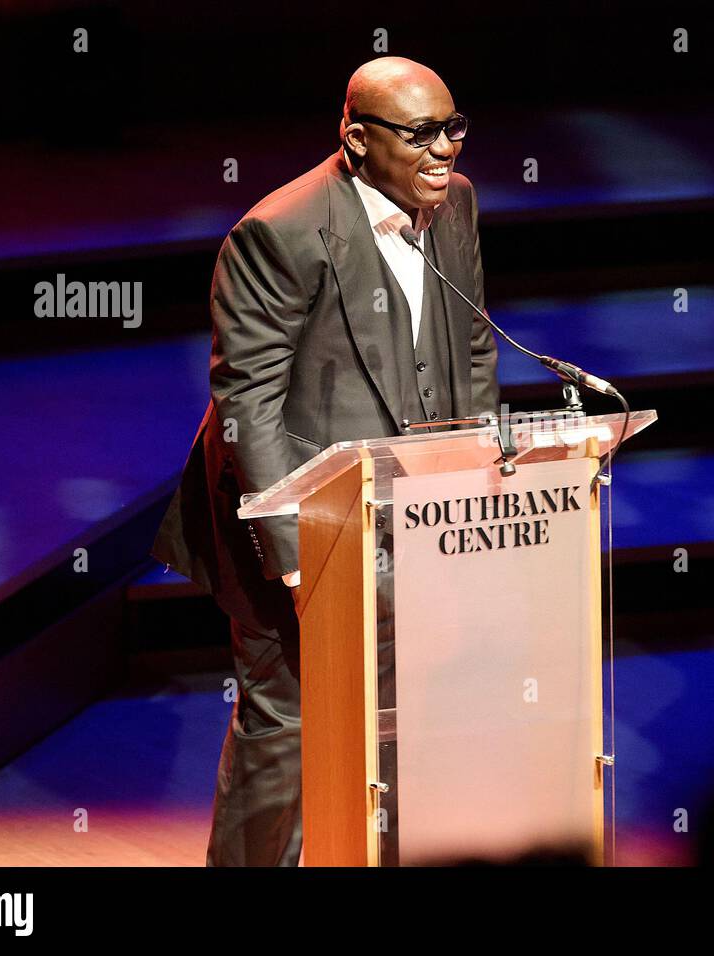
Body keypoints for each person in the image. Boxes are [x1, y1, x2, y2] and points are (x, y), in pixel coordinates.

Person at [149, 56, 498, 865]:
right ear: (355, 140)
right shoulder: (281, 232)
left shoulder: (457, 203)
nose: (444, 149)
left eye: (452, 128)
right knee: (290, 727)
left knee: (409, 716)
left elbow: (472, 345)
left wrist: (473, 483)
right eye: (420, 134)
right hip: (302, 525)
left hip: (414, 511)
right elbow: (249, 404)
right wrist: (300, 558)